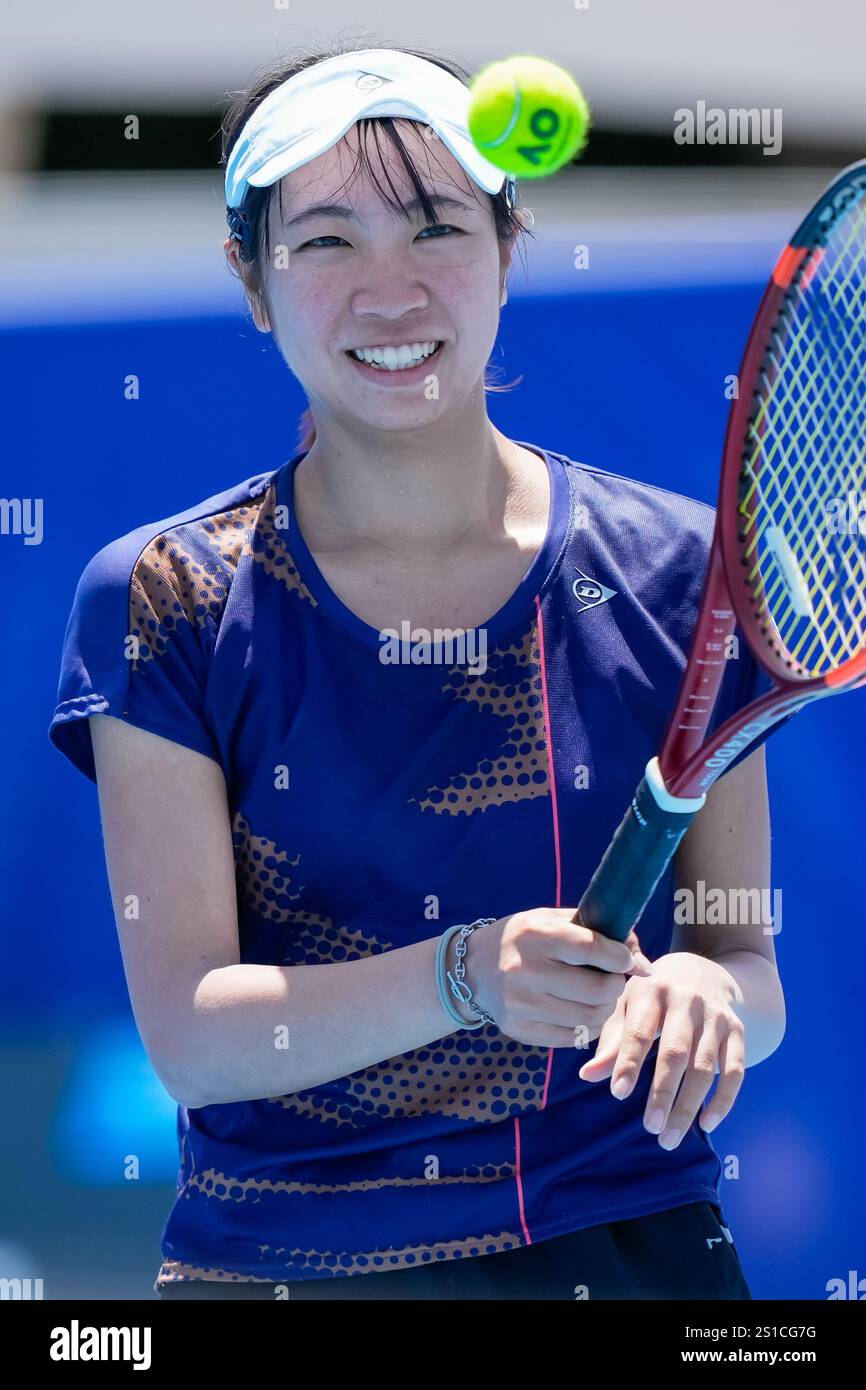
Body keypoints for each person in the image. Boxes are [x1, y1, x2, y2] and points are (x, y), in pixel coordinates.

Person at [48, 39, 785, 1301]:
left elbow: (744, 963)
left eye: (435, 225)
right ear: (253, 280)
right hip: (282, 1271)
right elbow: (191, 1036)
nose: (388, 295)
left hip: (635, 1257)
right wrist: (468, 974)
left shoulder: (681, 565)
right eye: (325, 241)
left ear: (507, 243)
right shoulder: (163, 594)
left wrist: (705, 990)